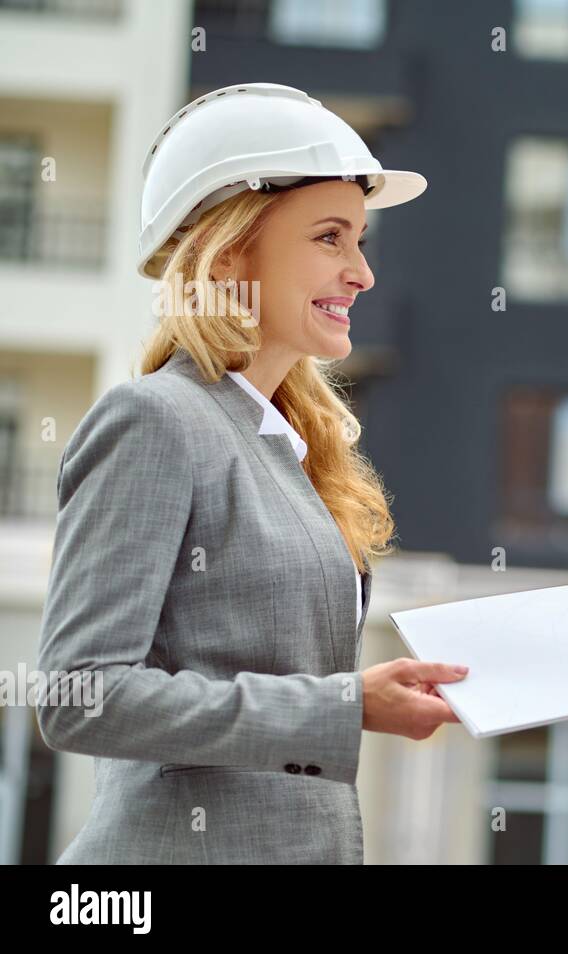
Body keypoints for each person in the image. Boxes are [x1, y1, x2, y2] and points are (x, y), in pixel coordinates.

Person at [36, 83, 466, 863]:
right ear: (231, 252)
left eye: (361, 240)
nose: (361, 273)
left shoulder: (294, 447)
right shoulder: (155, 422)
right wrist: (344, 706)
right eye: (330, 238)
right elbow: (80, 695)